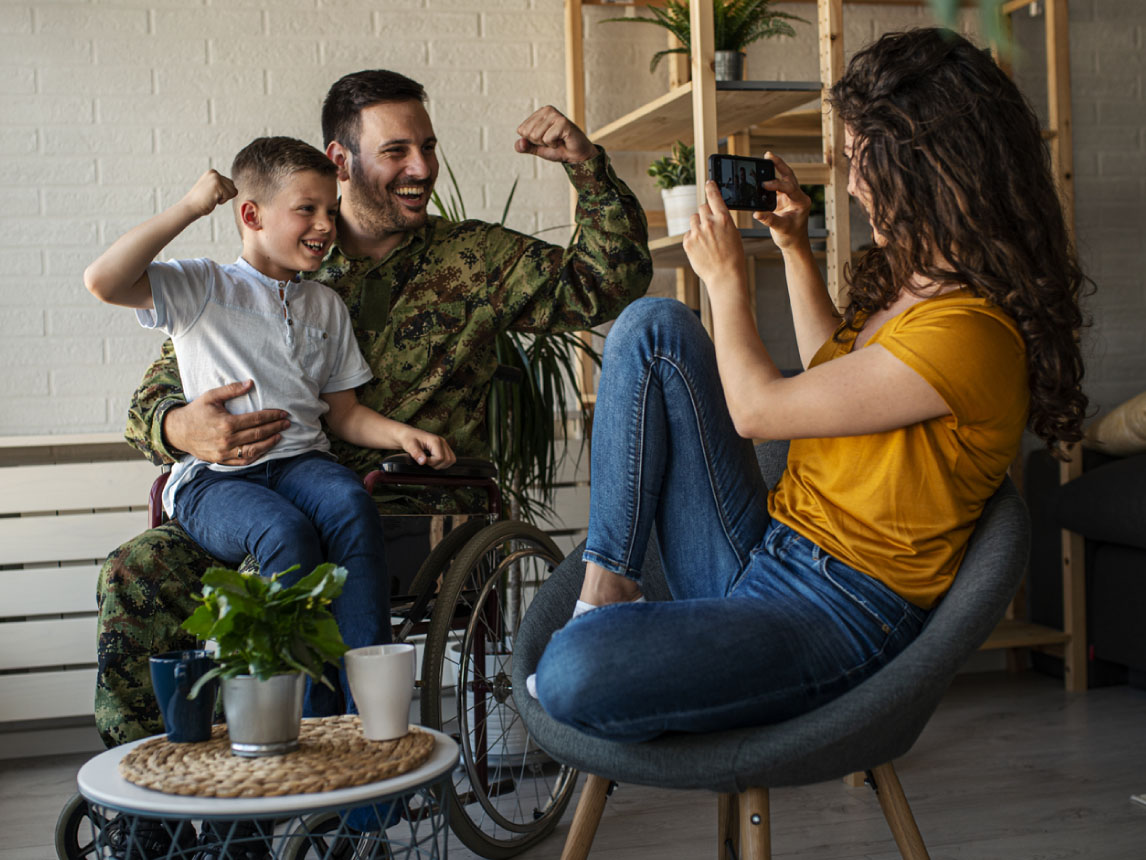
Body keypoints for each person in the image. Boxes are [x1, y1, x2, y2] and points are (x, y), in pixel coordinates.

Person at [529, 28, 1088, 742]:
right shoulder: (916, 291)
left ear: (930, 170)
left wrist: (729, 281)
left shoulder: (972, 333)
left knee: (575, 672)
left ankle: (617, 633)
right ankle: (609, 588)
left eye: (862, 162)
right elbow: (841, 375)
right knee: (653, 326)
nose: (851, 183)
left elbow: (760, 412)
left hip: (837, 610)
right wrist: (792, 245)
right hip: (769, 548)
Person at [95, 69, 652, 749]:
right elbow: (156, 397)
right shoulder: (278, 265)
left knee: (314, 546)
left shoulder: (472, 259)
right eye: (395, 152)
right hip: (252, 494)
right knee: (138, 569)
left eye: (428, 147)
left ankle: (340, 757)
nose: (421, 168)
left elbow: (606, 286)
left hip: (402, 515)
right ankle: (167, 801)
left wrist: (587, 169)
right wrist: (181, 426)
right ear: (341, 162)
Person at [85, 136, 457, 717]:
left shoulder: (325, 305)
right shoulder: (203, 288)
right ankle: (303, 720)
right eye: (306, 209)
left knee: (351, 506)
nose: (325, 224)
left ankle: (369, 715)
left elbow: (343, 412)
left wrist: (401, 435)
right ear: (251, 216)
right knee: (285, 533)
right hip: (217, 482)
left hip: (302, 465)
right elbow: (103, 281)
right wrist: (188, 206)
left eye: (331, 210)